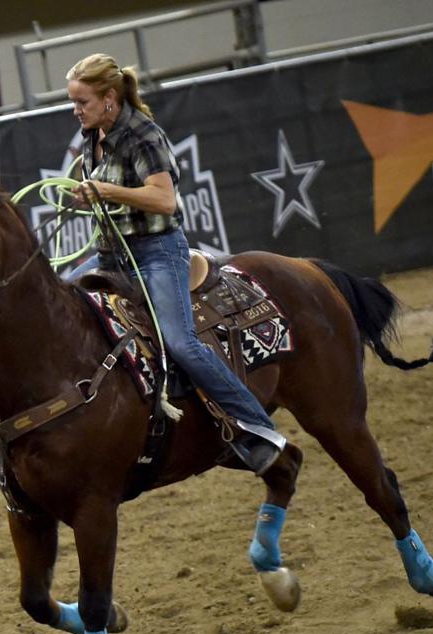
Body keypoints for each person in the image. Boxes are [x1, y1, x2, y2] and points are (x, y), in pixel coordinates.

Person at [64, 54, 286, 475]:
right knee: (60, 305)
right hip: (113, 254)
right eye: (73, 103)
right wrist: (87, 196)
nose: (76, 111)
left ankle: (257, 425)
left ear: (109, 98)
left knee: (180, 341)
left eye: (82, 102)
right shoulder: (92, 136)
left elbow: (165, 199)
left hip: (156, 253)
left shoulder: (142, 135)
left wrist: (107, 191)